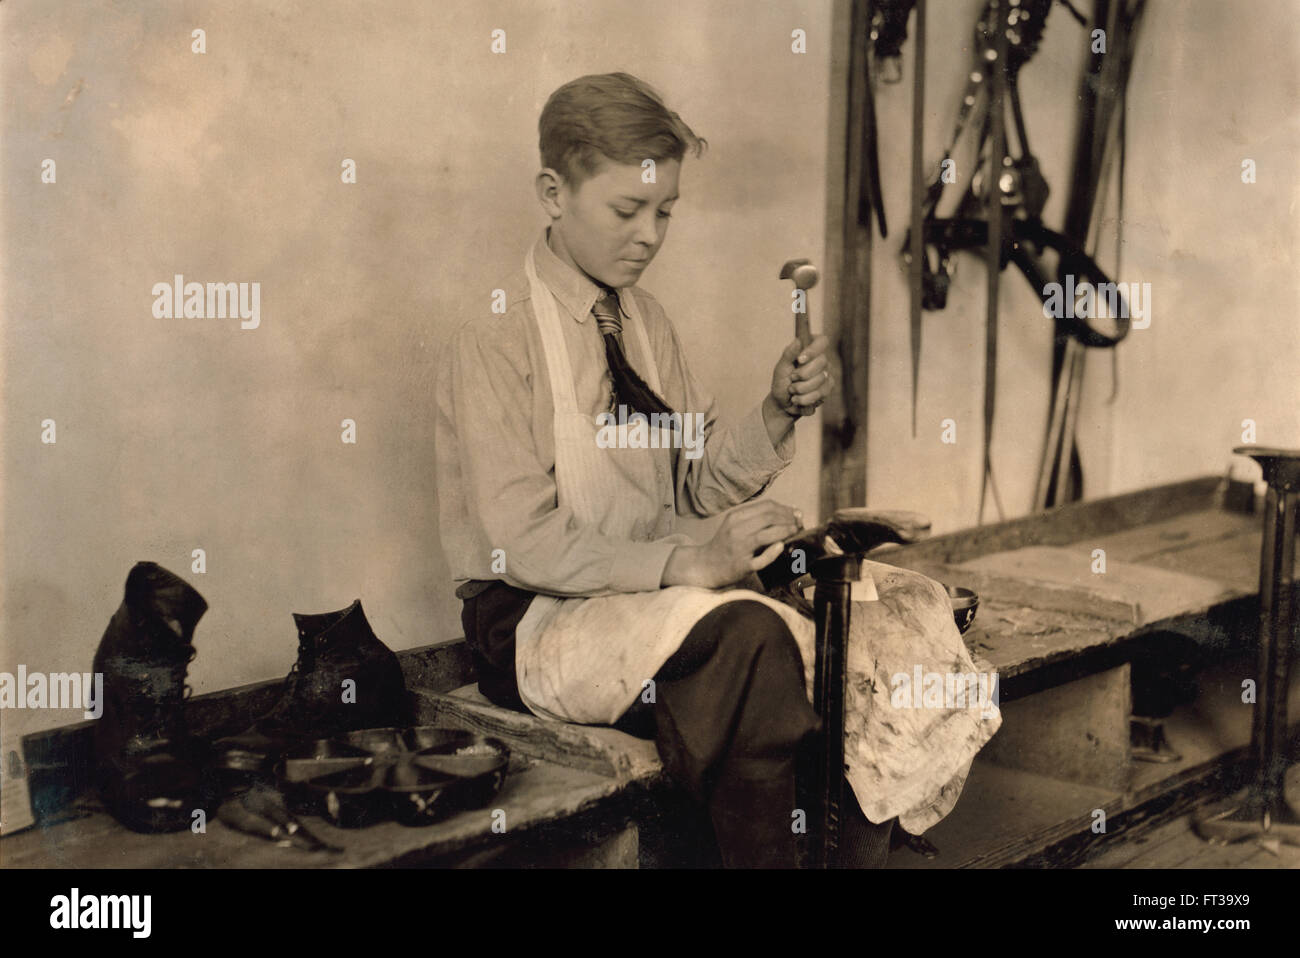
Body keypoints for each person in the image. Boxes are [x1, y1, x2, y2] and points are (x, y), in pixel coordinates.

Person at [434, 72, 888, 868]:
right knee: (747, 640)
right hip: (533, 615)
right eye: (626, 210)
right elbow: (519, 543)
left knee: (866, 611)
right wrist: (690, 562)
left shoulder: (646, 323)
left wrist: (775, 411)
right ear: (552, 192)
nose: (650, 235)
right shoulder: (497, 336)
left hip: (645, 595)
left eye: (666, 212)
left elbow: (693, 487)